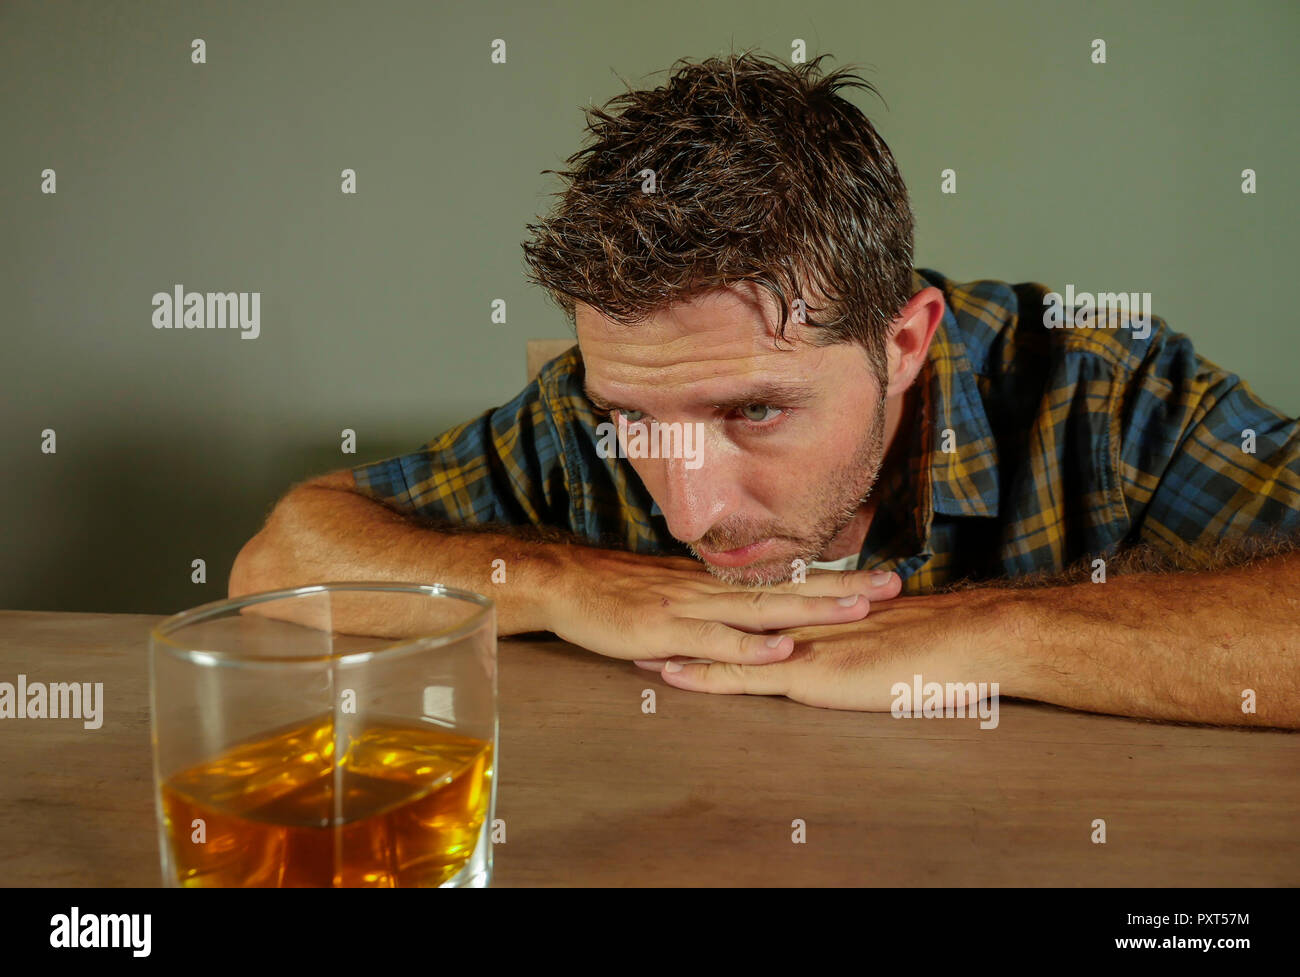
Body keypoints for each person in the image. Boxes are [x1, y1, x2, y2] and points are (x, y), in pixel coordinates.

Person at [230, 52, 1300, 727]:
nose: (693, 511)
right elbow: (282, 558)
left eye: (755, 410)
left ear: (905, 338)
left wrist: (996, 632)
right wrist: (560, 581)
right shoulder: (585, 409)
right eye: (636, 421)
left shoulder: (1101, 391)